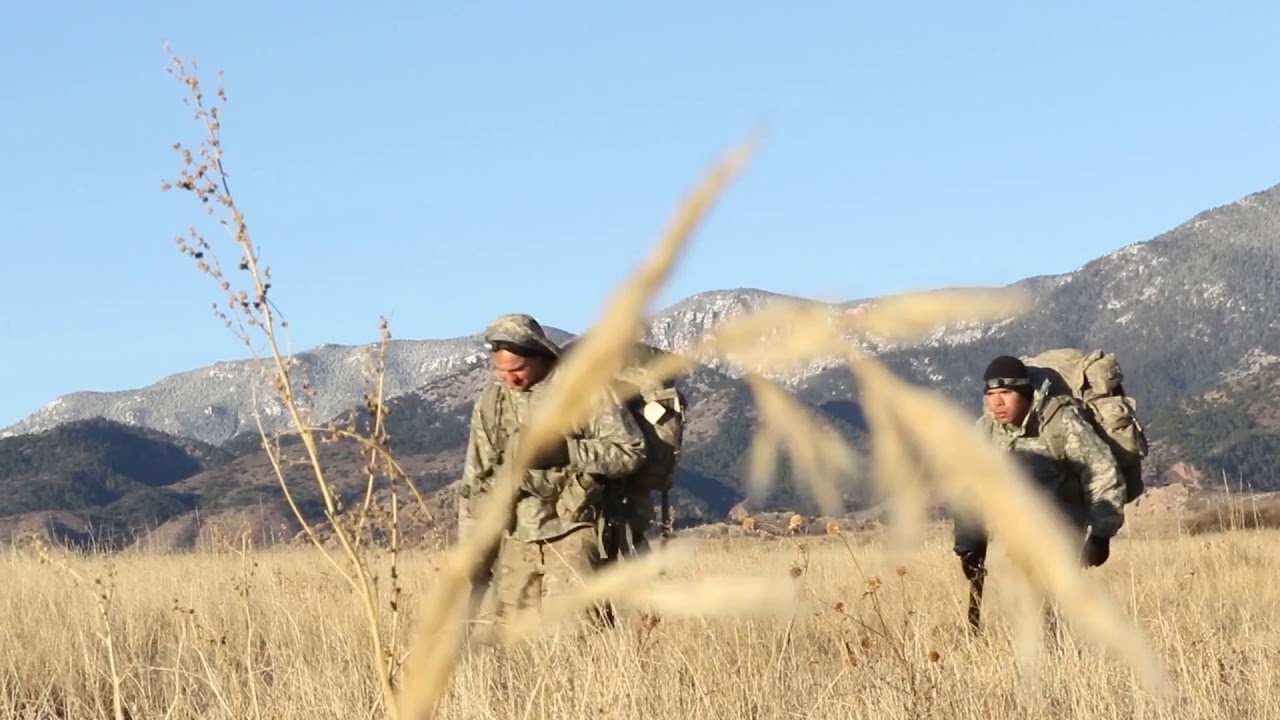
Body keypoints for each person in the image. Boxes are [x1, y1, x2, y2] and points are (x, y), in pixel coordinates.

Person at [457, 313, 648, 630]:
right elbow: (475, 482)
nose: (510, 379)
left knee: (579, 638)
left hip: (574, 532)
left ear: (541, 356)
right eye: (501, 370)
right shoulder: (492, 404)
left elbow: (631, 451)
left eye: (517, 370)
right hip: (516, 539)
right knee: (512, 645)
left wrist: (570, 451)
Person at [953, 355, 1127, 629]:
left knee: (1045, 613)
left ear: (1024, 393)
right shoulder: (986, 431)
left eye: (1006, 393)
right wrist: (969, 542)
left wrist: (1101, 534)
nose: (996, 402)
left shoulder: (1060, 422)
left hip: (1061, 530)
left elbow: (1102, 471)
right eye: (991, 394)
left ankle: (1059, 663)